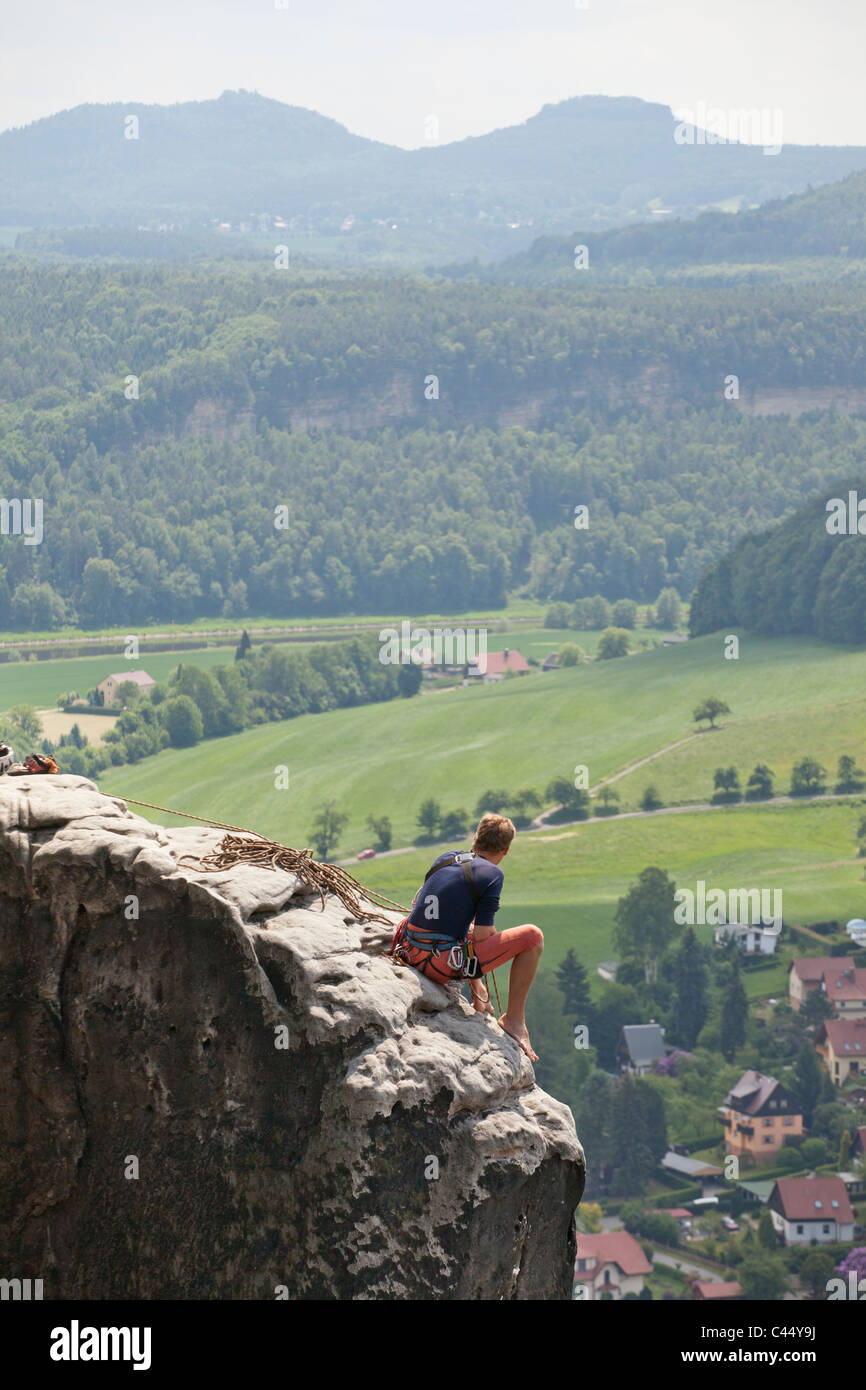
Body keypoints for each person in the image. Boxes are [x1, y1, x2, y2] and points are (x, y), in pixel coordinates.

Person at [390, 812, 543, 1060]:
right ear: (505, 851)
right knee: (532, 937)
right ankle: (514, 1021)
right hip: (437, 962)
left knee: (465, 916)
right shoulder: (492, 875)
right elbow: (482, 936)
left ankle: (479, 997)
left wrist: (477, 984)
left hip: (407, 948)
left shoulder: (446, 858)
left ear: (475, 838)